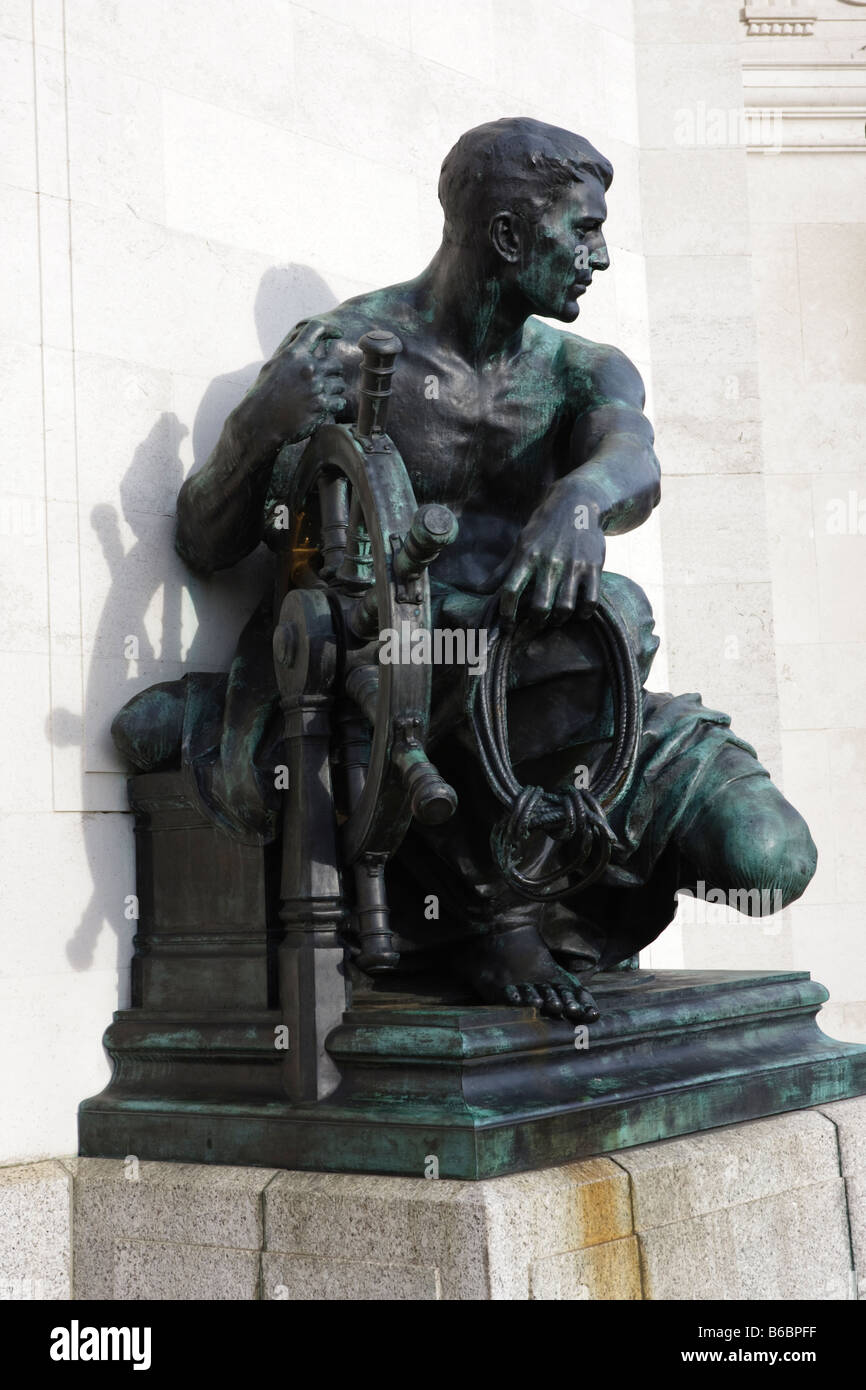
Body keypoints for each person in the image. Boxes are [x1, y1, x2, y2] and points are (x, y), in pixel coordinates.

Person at [114, 118, 817, 1022]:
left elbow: (631, 457)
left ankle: (565, 882)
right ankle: (497, 907)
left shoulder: (581, 371)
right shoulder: (346, 350)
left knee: (771, 858)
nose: (599, 257)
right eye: (585, 231)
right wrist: (257, 429)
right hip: (404, 688)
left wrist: (579, 501)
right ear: (510, 236)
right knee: (613, 615)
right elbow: (206, 543)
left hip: (562, 689)